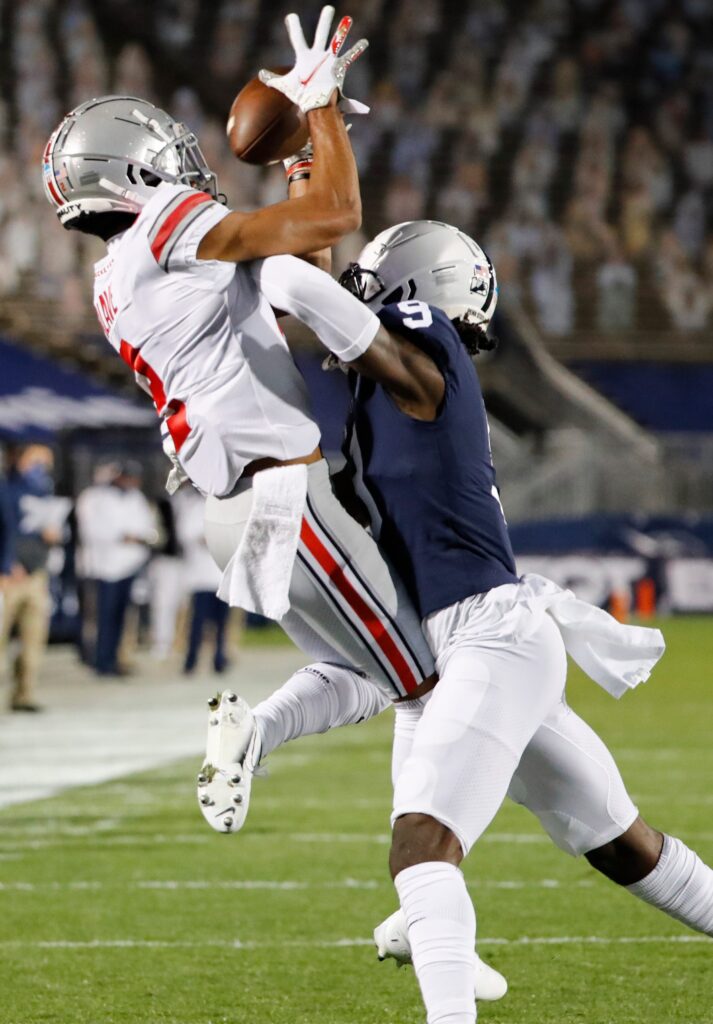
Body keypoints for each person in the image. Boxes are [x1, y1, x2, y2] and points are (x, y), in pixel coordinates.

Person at [204, 222, 712, 1023]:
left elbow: (306, 292)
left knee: (420, 848)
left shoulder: (424, 355)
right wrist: (258, 732)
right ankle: (434, 929)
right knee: (624, 848)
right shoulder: (369, 402)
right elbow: (361, 678)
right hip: (468, 647)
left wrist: (248, 239)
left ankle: (439, 970)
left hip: (490, 637)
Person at [42, 7, 436, 706]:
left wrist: (302, 158)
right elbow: (337, 216)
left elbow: (306, 268)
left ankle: (255, 730)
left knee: (372, 680)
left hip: (232, 510)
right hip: (285, 494)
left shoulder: (116, 275)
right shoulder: (162, 224)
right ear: (131, 167)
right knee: (432, 681)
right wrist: (320, 110)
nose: (183, 166)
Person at [75, 462, 156, 676]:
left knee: (122, 617)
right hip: (106, 567)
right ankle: (102, 661)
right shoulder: (98, 498)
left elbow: (146, 527)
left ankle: (115, 659)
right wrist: (122, 536)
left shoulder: (136, 499)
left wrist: (135, 537)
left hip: (130, 565)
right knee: (105, 616)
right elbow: (92, 530)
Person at [0, 444, 64, 711]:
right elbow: (6, 529)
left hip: (36, 573)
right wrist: (6, 564)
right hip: (8, 576)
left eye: (45, 462)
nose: (40, 467)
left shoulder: (46, 493)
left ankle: (24, 694)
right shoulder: (7, 489)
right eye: (35, 460)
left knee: (33, 639)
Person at [173, 487, 231, 674]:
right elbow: (185, 534)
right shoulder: (194, 506)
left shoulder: (226, 505)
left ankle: (219, 660)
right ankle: (191, 661)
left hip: (222, 575)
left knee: (222, 624)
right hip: (201, 576)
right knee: (198, 622)